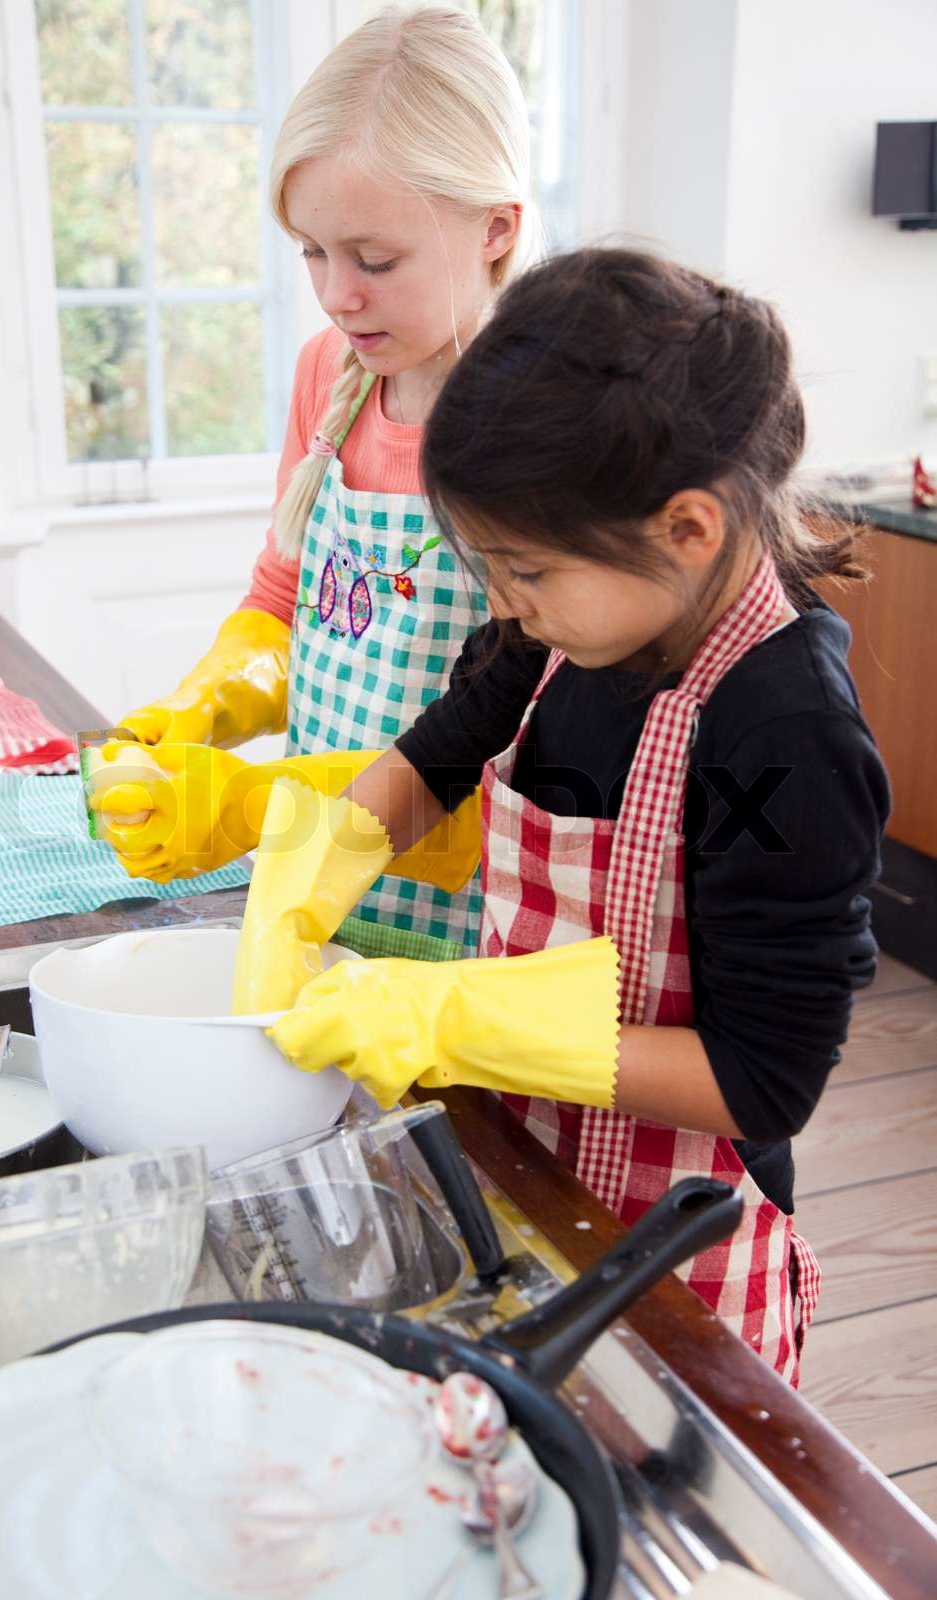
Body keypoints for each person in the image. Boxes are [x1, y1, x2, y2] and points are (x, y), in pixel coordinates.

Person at [266, 247, 891, 1384]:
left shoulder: (783, 730)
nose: (502, 602)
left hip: (685, 1237)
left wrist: (453, 1014)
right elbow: (439, 753)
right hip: (535, 1154)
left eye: (524, 572)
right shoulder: (559, 625)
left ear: (687, 529)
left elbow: (761, 1078)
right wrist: (310, 871)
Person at [107, 5, 533, 955]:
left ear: (496, 229)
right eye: (311, 251)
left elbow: (520, 740)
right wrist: (209, 702)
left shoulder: (532, 421)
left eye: (375, 260)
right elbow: (288, 594)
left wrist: (257, 803)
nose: (337, 293)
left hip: (470, 900)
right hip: (321, 882)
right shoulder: (326, 374)